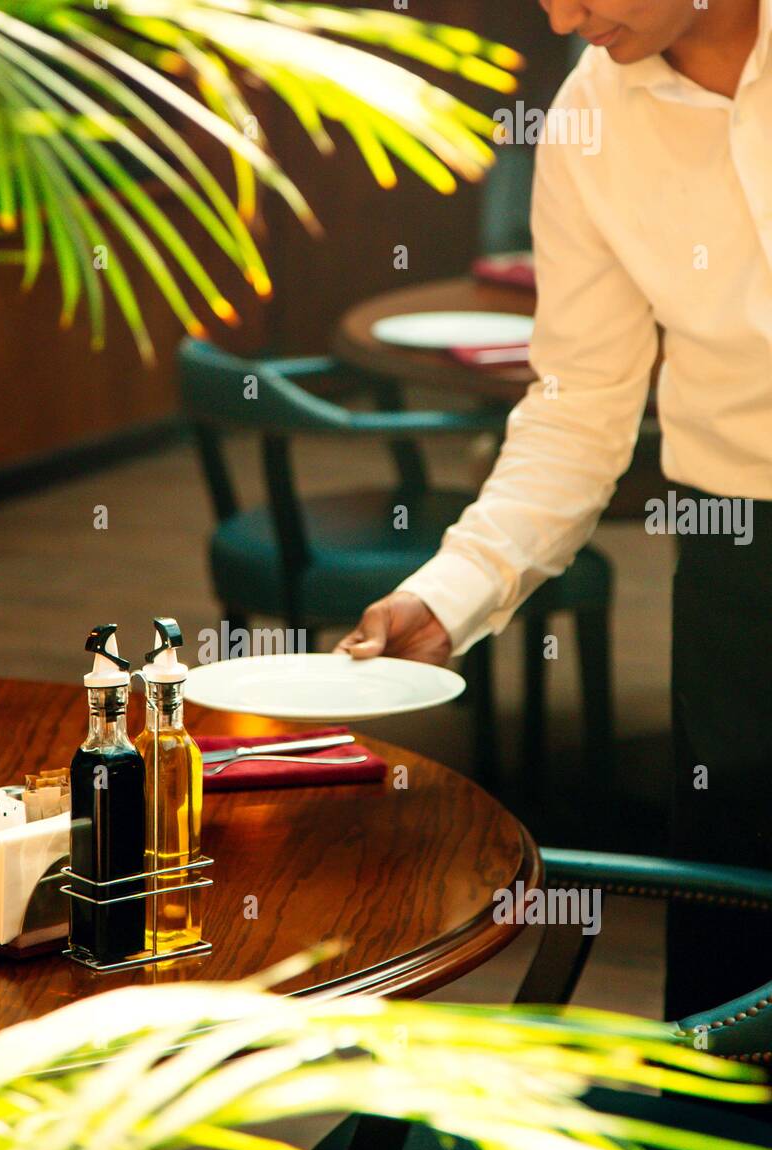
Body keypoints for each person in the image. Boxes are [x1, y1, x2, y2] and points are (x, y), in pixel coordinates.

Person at [337, 0, 772, 1019]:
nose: (562, 15)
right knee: (732, 941)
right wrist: (449, 594)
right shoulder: (586, 118)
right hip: (739, 563)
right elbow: (577, 406)